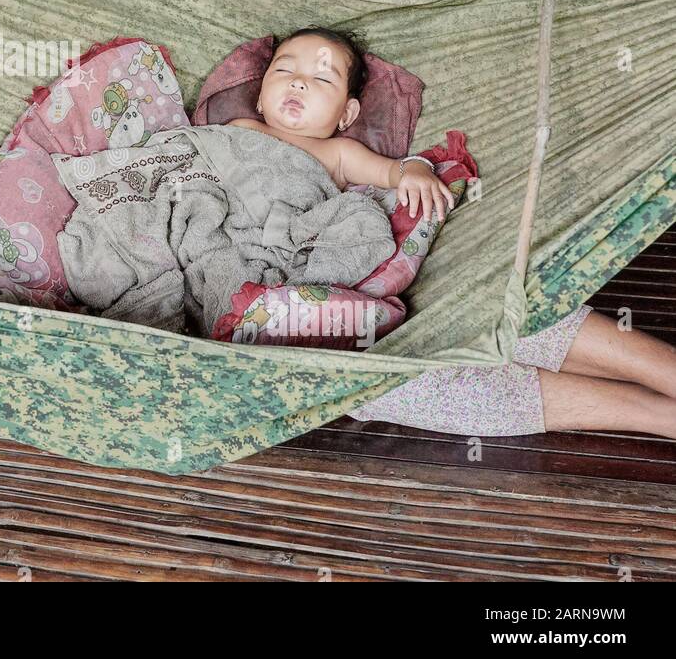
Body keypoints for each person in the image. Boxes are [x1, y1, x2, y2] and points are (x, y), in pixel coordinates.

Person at [244, 26, 676, 441]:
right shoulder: (233, 133)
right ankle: (655, 412)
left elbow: (395, 171)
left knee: (485, 307)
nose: (298, 83)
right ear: (260, 96)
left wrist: (414, 170)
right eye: (284, 71)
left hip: (336, 285)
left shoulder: (336, 153)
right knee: (390, 383)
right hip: (282, 330)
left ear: (347, 115)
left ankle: (666, 379)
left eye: (321, 78)